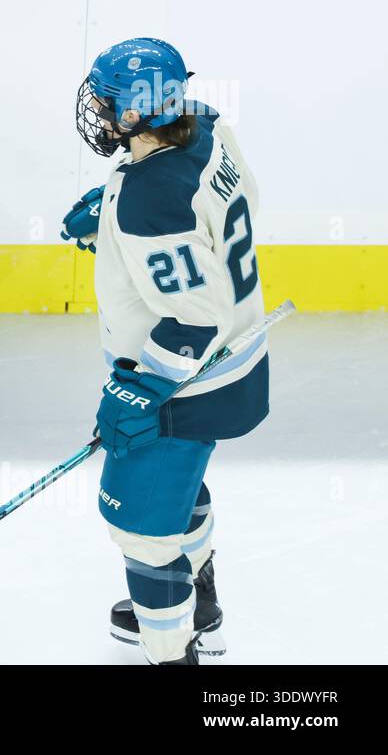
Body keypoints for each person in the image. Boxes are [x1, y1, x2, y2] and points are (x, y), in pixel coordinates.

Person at [65, 37, 269, 664]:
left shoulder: (154, 195)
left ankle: (171, 648)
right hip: (237, 361)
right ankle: (198, 598)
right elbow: (235, 203)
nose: (96, 110)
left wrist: (140, 387)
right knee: (183, 486)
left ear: (135, 114)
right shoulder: (202, 123)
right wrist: (114, 211)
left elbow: (194, 318)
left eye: (107, 103)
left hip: (183, 387)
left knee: (139, 527)